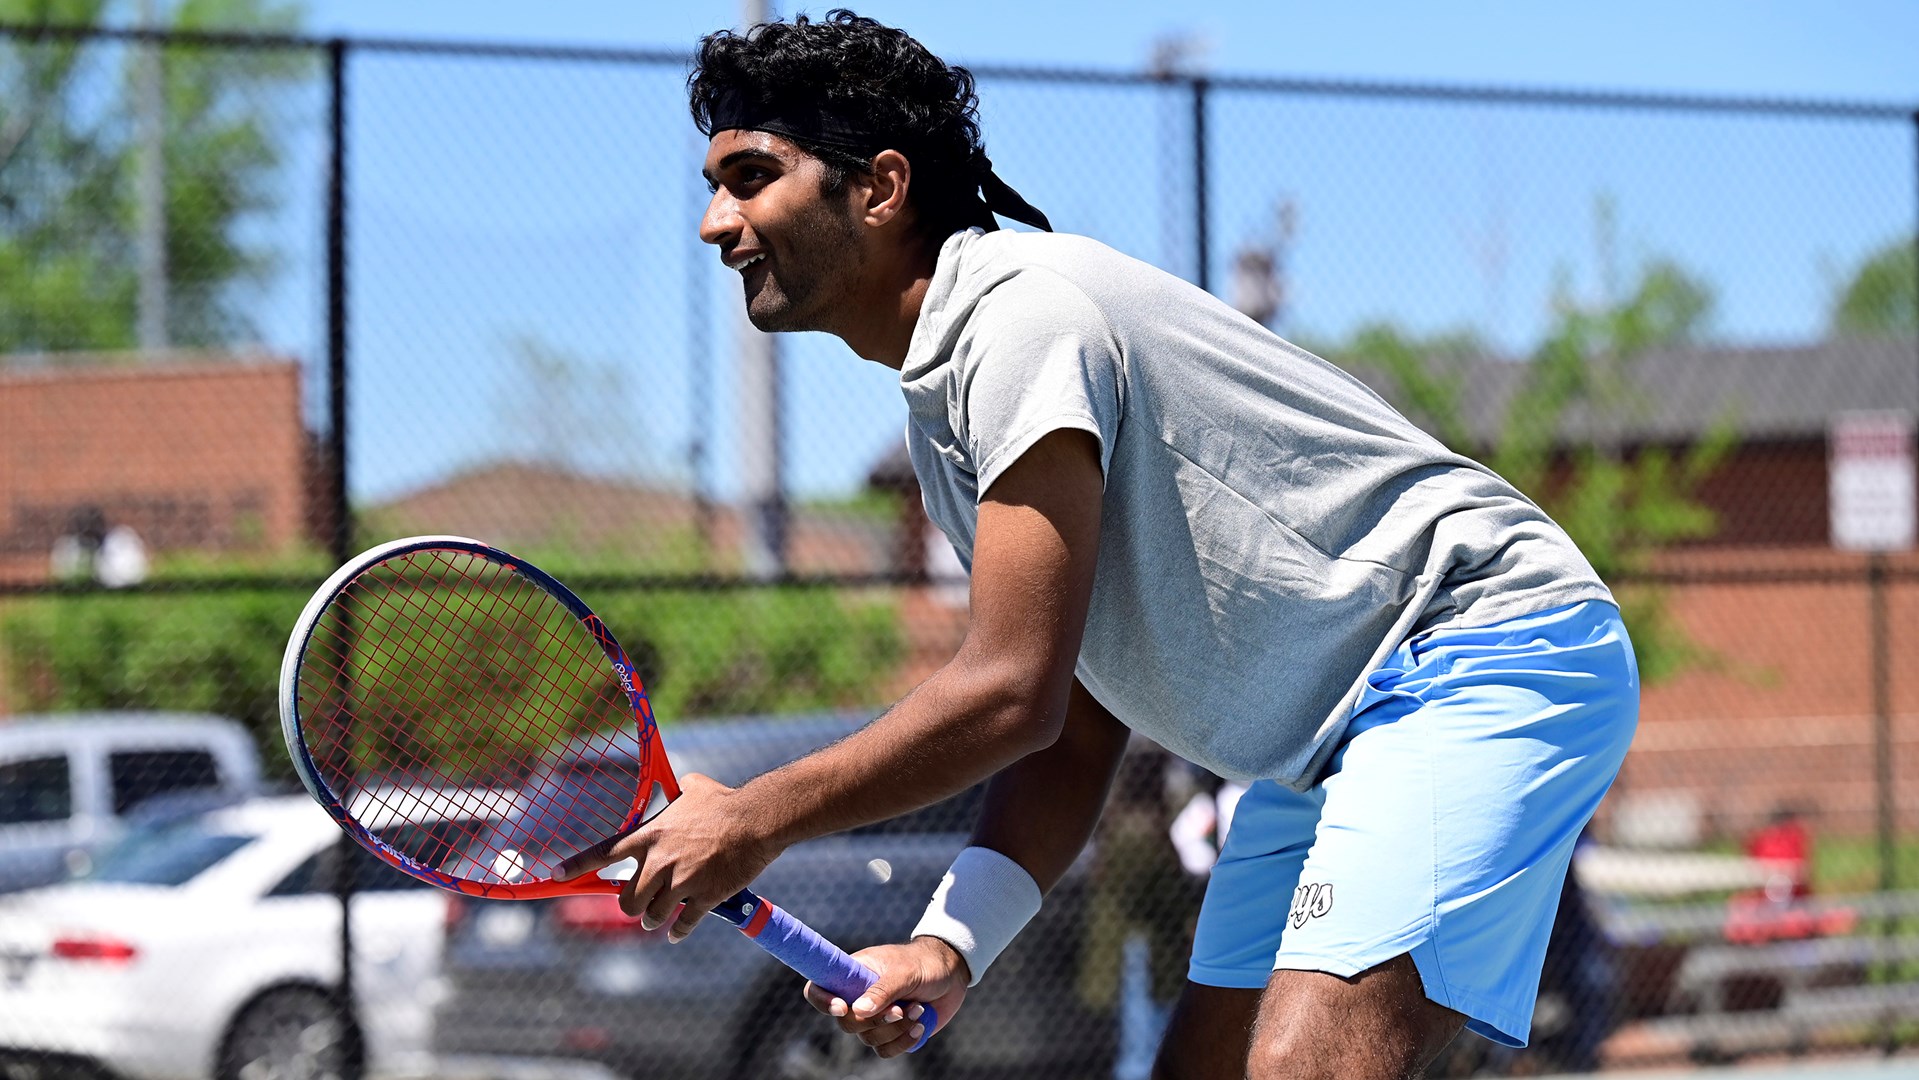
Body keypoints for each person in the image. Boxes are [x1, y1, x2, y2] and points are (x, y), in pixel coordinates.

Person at [558, 11, 1640, 1078]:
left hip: (1479, 649)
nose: (714, 222)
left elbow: (1007, 692)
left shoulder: (1021, 321)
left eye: (749, 177)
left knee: (1304, 1067)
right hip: (1323, 745)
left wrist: (751, 818)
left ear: (879, 190)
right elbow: (1072, 728)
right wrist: (949, 945)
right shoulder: (947, 414)